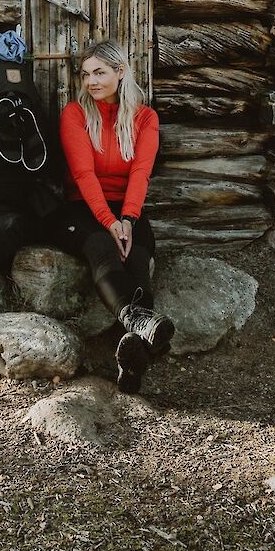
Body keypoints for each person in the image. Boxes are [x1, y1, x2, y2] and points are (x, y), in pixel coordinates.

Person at [56, 40, 174, 393]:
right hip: (83, 207)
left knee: (137, 257)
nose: (91, 81)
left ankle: (134, 362)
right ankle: (137, 320)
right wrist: (109, 223)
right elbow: (83, 175)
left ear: (120, 72)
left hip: (128, 208)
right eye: (86, 74)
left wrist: (129, 219)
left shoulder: (144, 117)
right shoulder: (75, 114)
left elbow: (141, 172)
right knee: (102, 248)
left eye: (100, 72)